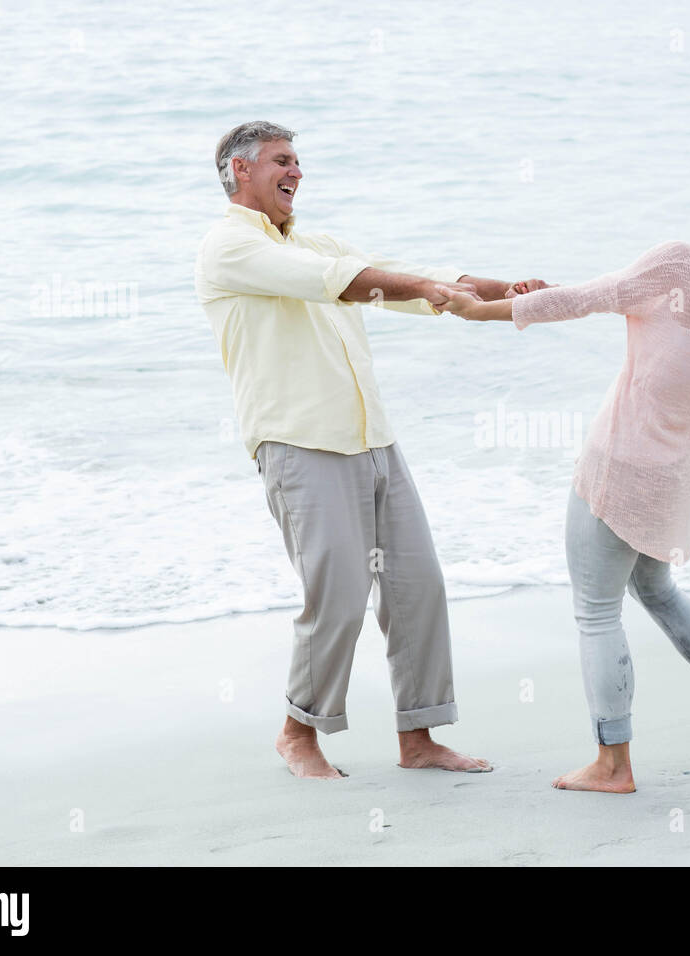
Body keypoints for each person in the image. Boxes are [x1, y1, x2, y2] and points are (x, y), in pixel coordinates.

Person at [440, 147, 690, 793]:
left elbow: (595, 297)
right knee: (655, 591)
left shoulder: (681, 261)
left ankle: (612, 763)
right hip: (671, 473)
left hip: (618, 465)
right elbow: (621, 299)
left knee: (596, 612)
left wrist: (472, 309)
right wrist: (524, 293)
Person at [195, 121, 546, 779]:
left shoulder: (316, 241)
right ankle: (299, 733)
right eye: (281, 161)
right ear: (241, 171)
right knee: (340, 592)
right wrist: (427, 290)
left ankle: (420, 739)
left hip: (374, 440)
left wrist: (496, 288)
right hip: (300, 444)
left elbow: (394, 277)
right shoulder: (226, 247)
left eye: (298, 161)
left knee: (419, 587)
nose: (295, 172)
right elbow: (337, 279)